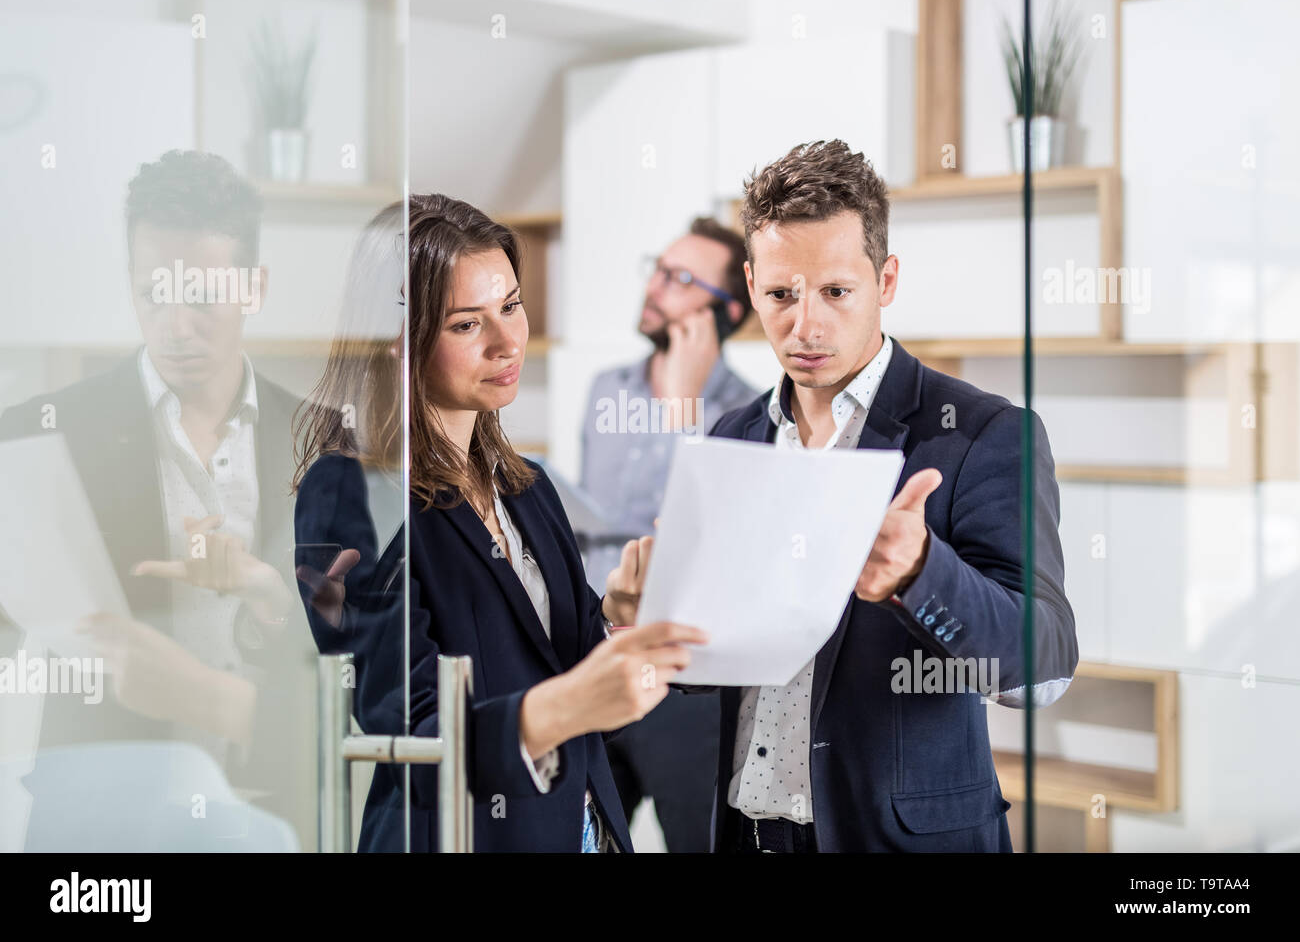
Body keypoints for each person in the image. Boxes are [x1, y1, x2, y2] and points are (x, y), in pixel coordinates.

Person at [293, 193, 707, 852]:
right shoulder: (351, 493)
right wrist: (573, 703)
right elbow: (409, 730)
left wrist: (617, 620)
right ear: (398, 341)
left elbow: (551, 660)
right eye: (466, 324)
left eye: (510, 306)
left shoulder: (526, 486)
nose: (507, 340)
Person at [699, 139, 1078, 852]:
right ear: (751, 286)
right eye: (781, 294)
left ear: (887, 279)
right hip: (746, 833)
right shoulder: (733, 435)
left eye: (837, 292)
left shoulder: (983, 434)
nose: (805, 323)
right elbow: (721, 650)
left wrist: (921, 575)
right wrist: (651, 615)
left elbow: (1048, 660)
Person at [0, 150, 317, 848]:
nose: (177, 323)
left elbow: (357, 646)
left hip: (279, 812)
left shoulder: (319, 444)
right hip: (98, 826)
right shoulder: (40, 437)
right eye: (155, 292)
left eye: (202, 295)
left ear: (252, 288)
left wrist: (266, 597)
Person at [578, 217, 757, 851]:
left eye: (679, 279)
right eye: (658, 268)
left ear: (723, 311)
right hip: (597, 655)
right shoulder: (608, 390)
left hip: (687, 684)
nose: (655, 288)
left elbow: (689, 531)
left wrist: (684, 402)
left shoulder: (746, 415)